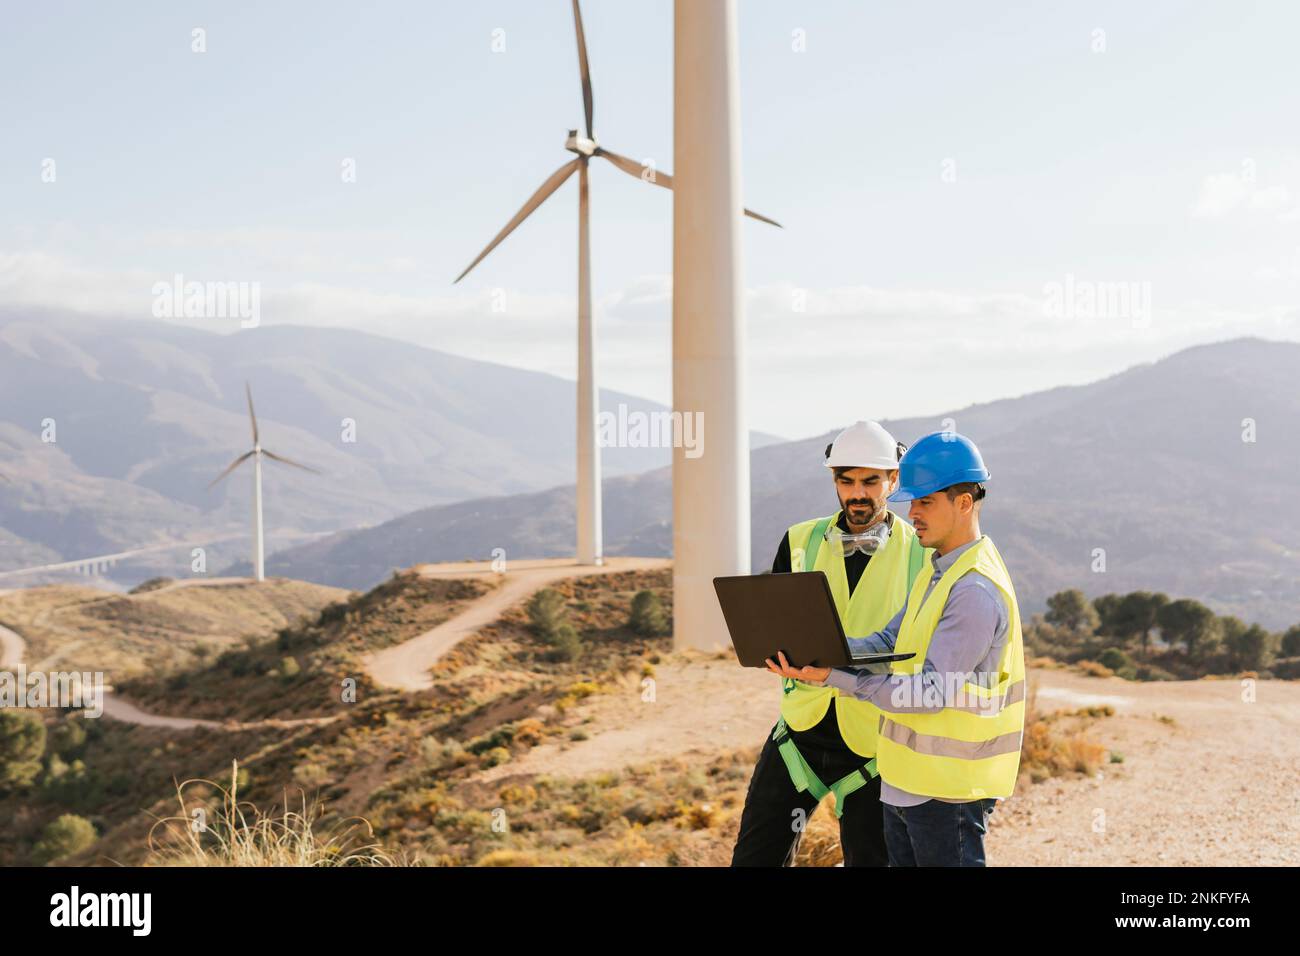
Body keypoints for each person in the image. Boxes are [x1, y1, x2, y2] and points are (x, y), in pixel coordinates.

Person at [766, 430, 1024, 867]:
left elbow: (926, 694)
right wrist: (820, 651)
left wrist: (833, 677)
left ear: (964, 503)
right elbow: (890, 639)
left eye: (925, 502)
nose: (913, 514)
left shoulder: (973, 591)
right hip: (907, 781)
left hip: (949, 789)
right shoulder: (940, 569)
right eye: (911, 502)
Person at [731, 421, 927, 867]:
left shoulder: (921, 550)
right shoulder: (798, 540)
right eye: (846, 480)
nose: (857, 493)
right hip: (799, 732)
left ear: (893, 481)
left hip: (876, 742)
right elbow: (775, 623)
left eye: (870, 481)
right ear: (834, 481)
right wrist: (772, 653)